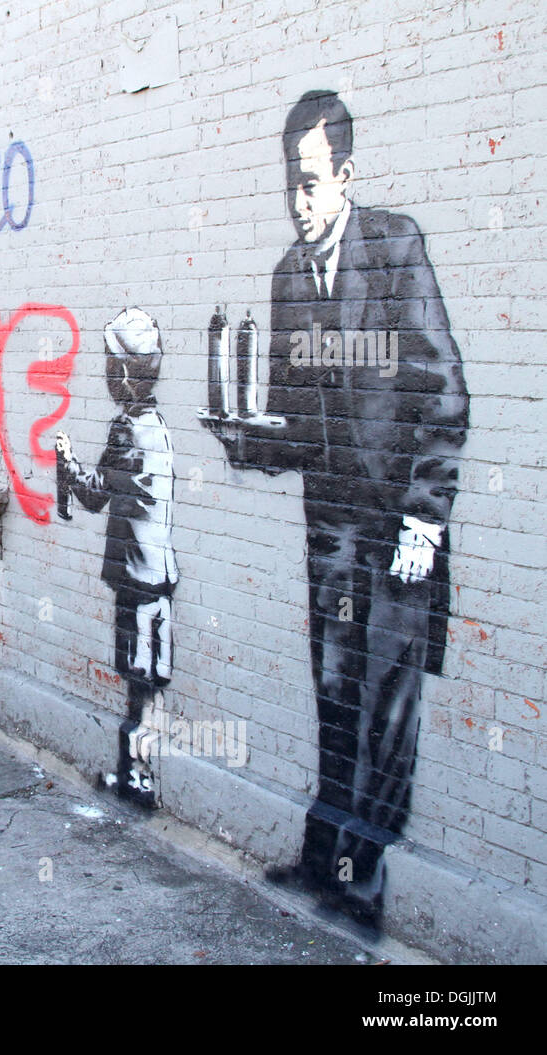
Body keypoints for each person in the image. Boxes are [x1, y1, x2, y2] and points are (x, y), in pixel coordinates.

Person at [205, 90, 468, 930]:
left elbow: (446, 395)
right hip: (333, 535)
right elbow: (299, 428)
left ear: (347, 177)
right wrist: (248, 442)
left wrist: (426, 517)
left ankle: (367, 881)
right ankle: (328, 860)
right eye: (291, 183)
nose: (299, 201)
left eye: (313, 182)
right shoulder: (289, 278)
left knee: (387, 707)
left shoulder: (395, 251)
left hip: (399, 532)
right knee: (336, 690)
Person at [55, 308, 177, 808]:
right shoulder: (158, 425)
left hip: (136, 575)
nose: (106, 374)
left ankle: (139, 778)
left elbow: (91, 495)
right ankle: (138, 772)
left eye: (110, 365)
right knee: (148, 678)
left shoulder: (126, 430)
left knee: (138, 676)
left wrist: (65, 460)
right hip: (158, 573)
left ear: (125, 372)